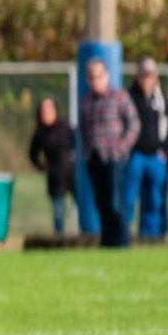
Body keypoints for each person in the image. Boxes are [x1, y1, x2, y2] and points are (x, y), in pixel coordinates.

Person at [80, 58, 138, 248]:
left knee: (116, 202)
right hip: (95, 158)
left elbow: (134, 124)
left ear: (107, 76)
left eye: (99, 76)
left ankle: (122, 241)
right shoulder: (86, 102)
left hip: (114, 158)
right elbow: (84, 131)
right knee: (101, 203)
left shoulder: (119, 97)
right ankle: (107, 242)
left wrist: (122, 148)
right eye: (92, 77)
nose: (96, 81)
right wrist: (87, 153)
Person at [125, 58, 168, 243]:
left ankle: (150, 237)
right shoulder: (129, 99)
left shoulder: (163, 102)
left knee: (154, 200)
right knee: (129, 198)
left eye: (149, 76)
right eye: (143, 76)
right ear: (137, 77)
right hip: (135, 156)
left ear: (155, 77)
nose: (146, 80)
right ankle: (123, 235)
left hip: (156, 157)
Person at [28, 97, 76, 235]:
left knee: (82, 205)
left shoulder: (65, 128)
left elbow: (77, 144)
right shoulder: (40, 133)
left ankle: (88, 234)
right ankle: (60, 238)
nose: (46, 114)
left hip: (71, 173)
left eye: (49, 110)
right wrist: (42, 167)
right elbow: (33, 154)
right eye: (43, 111)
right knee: (58, 212)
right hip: (55, 177)